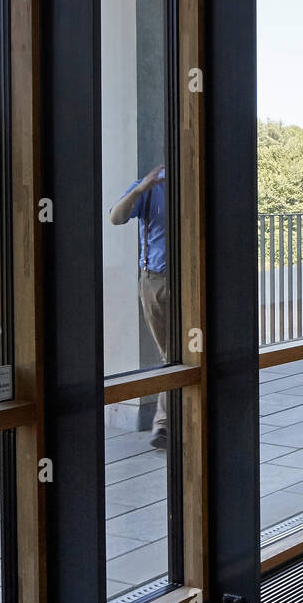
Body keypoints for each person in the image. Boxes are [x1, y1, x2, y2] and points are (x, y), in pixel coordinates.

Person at [110, 163, 170, 449]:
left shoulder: (196, 185)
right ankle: (165, 424)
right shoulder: (150, 186)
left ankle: (164, 424)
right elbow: (115, 217)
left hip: (194, 281)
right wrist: (140, 189)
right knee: (171, 354)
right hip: (157, 281)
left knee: (178, 354)